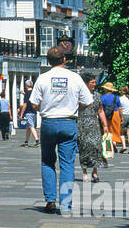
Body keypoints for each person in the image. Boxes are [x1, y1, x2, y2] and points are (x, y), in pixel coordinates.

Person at [28, 47, 93, 213]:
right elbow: (88, 100)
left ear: (48, 61)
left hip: (48, 122)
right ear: (64, 59)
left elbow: (34, 104)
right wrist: (75, 106)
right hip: (68, 121)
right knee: (67, 164)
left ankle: (50, 200)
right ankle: (66, 203)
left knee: (48, 161)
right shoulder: (75, 77)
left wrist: (45, 106)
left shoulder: (43, 78)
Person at [78, 74, 109, 185]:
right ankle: (84, 171)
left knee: (96, 146)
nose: (95, 84)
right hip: (82, 123)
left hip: (94, 123)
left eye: (95, 82)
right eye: (92, 82)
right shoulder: (79, 95)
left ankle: (95, 171)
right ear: (86, 83)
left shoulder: (97, 95)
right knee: (84, 147)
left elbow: (100, 111)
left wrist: (105, 125)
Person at [100, 81, 123, 151]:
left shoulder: (102, 97)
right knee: (115, 130)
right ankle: (114, 142)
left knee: (107, 130)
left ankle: (108, 147)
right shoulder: (116, 97)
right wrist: (121, 117)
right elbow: (120, 108)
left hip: (106, 114)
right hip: (115, 114)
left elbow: (101, 108)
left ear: (106, 89)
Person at [18, 80, 38, 147]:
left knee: (31, 126)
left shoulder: (27, 93)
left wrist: (21, 114)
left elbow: (25, 104)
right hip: (34, 112)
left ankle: (37, 140)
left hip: (28, 112)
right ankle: (26, 142)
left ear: (26, 86)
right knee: (28, 127)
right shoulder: (34, 93)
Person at [118, 86, 129, 154]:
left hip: (124, 116)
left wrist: (121, 116)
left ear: (121, 91)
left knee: (121, 133)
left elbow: (119, 109)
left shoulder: (120, 99)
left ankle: (124, 146)